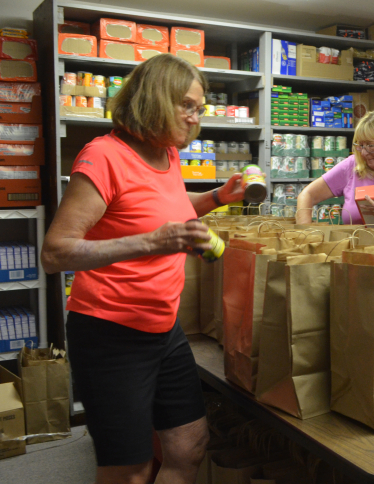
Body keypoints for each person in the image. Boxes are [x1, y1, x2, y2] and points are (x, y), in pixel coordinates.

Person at [41, 54, 245, 484]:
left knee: (188, 446)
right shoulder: (104, 156)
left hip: (163, 329)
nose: (195, 118)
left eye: (199, 108)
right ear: (154, 99)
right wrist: (152, 243)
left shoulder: (167, 155)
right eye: (186, 105)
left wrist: (217, 197)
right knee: (129, 470)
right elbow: (55, 253)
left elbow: (160, 208)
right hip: (110, 335)